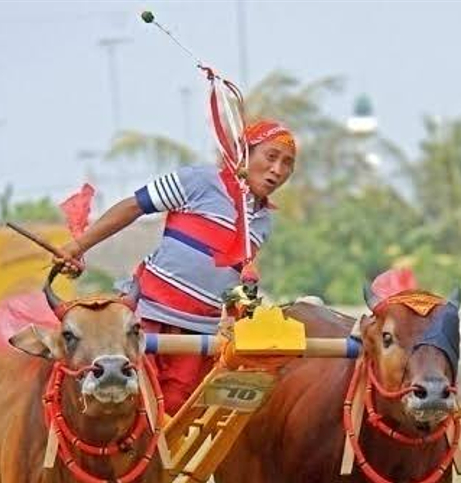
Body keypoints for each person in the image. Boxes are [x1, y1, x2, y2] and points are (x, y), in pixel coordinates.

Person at [54, 120, 296, 415]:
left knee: (176, 411)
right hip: (147, 315)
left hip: (200, 332)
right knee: (128, 402)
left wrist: (243, 314)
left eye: (287, 164)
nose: (278, 170)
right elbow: (133, 207)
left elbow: (231, 279)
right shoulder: (198, 181)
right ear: (245, 153)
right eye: (271, 157)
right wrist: (78, 247)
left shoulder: (263, 222)